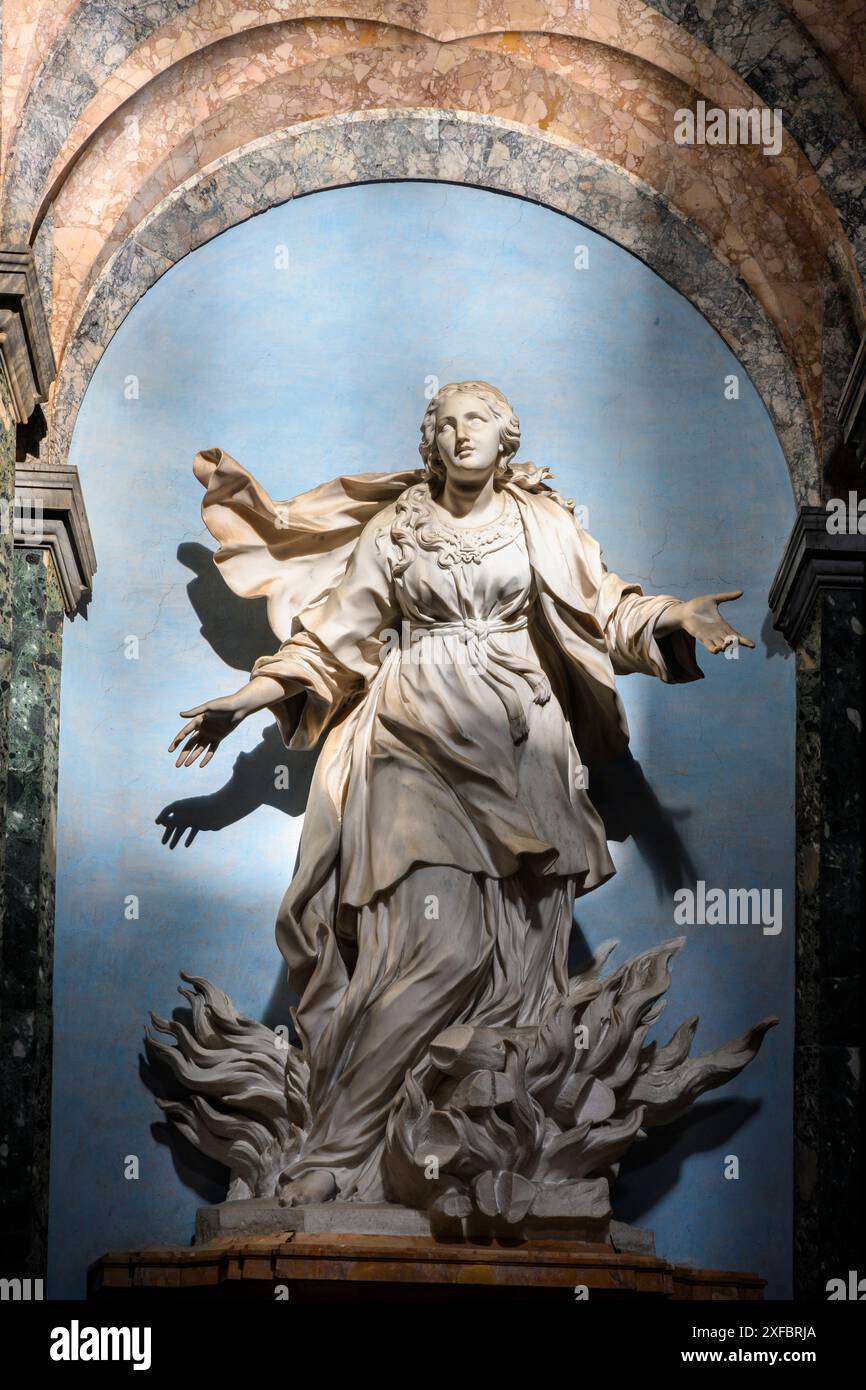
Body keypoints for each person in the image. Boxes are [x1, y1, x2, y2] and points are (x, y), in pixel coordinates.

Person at [169, 381, 753, 1205]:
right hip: (409, 741)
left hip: (522, 754)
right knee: (437, 947)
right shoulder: (398, 528)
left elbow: (606, 607)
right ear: (430, 443)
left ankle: (460, 1147)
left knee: (513, 967)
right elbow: (333, 641)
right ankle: (338, 1150)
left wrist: (674, 618)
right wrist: (246, 700)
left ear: (505, 437)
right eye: (444, 422)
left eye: (476, 418)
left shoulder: (541, 523)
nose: (460, 432)